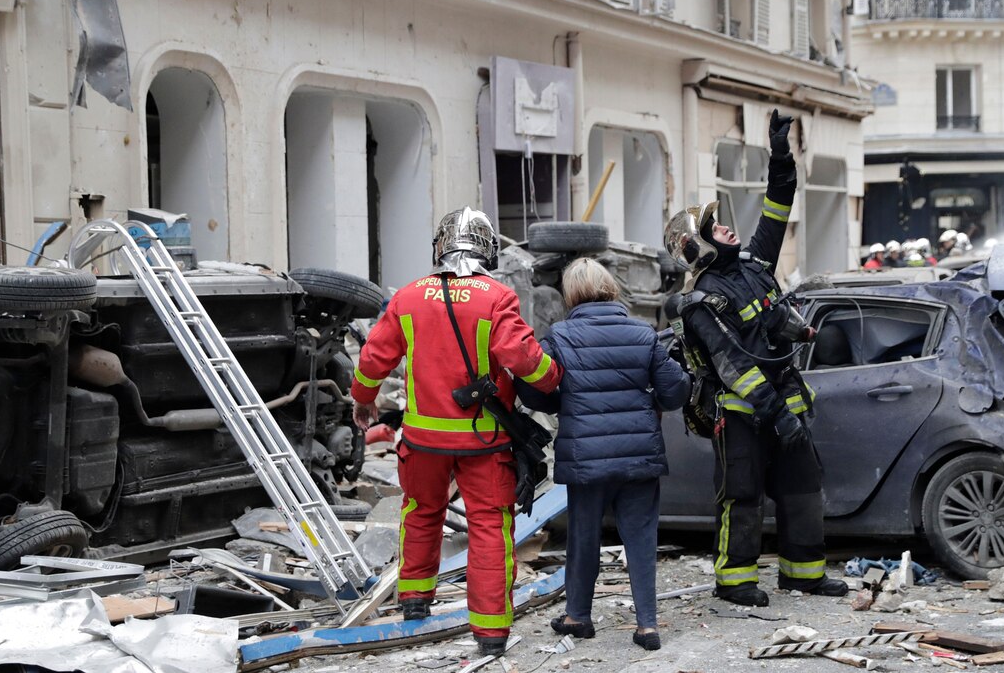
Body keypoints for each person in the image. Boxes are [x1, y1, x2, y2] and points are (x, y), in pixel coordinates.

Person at [350, 207, 563, 657]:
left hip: (423, 440)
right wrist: (554, 379)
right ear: (486, 247)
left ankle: (414, 602)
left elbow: (372, 361)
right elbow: (525, 360)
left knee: (420, 512)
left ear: (440, 246)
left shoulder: (408, 297)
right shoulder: (497, 297)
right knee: (488, 526)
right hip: (483, 442)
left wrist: (363, 400)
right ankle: (490, 633)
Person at [662, 110, 848, 607]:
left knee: (803, 488)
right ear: (697, 246)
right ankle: (736, 581)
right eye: (713, 227)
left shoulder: (756, 264)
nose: (726, 227)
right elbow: (732, 366)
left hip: (784, 397)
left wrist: (780, 155)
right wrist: (776, 413)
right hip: (743, 412)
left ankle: (804, 574)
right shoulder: (700, 301)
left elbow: (778, 205)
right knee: (741, 495)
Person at [517, 258, 689, 650]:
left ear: (571, 293)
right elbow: (674, 393)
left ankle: (578, 617)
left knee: (583, 538)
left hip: (586, 458)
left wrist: (566, 400)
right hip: (638, 455)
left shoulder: (559, 336)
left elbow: (535, 393)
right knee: (641, 539)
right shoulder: (643, 333)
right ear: (611, 288)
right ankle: (647, 626)